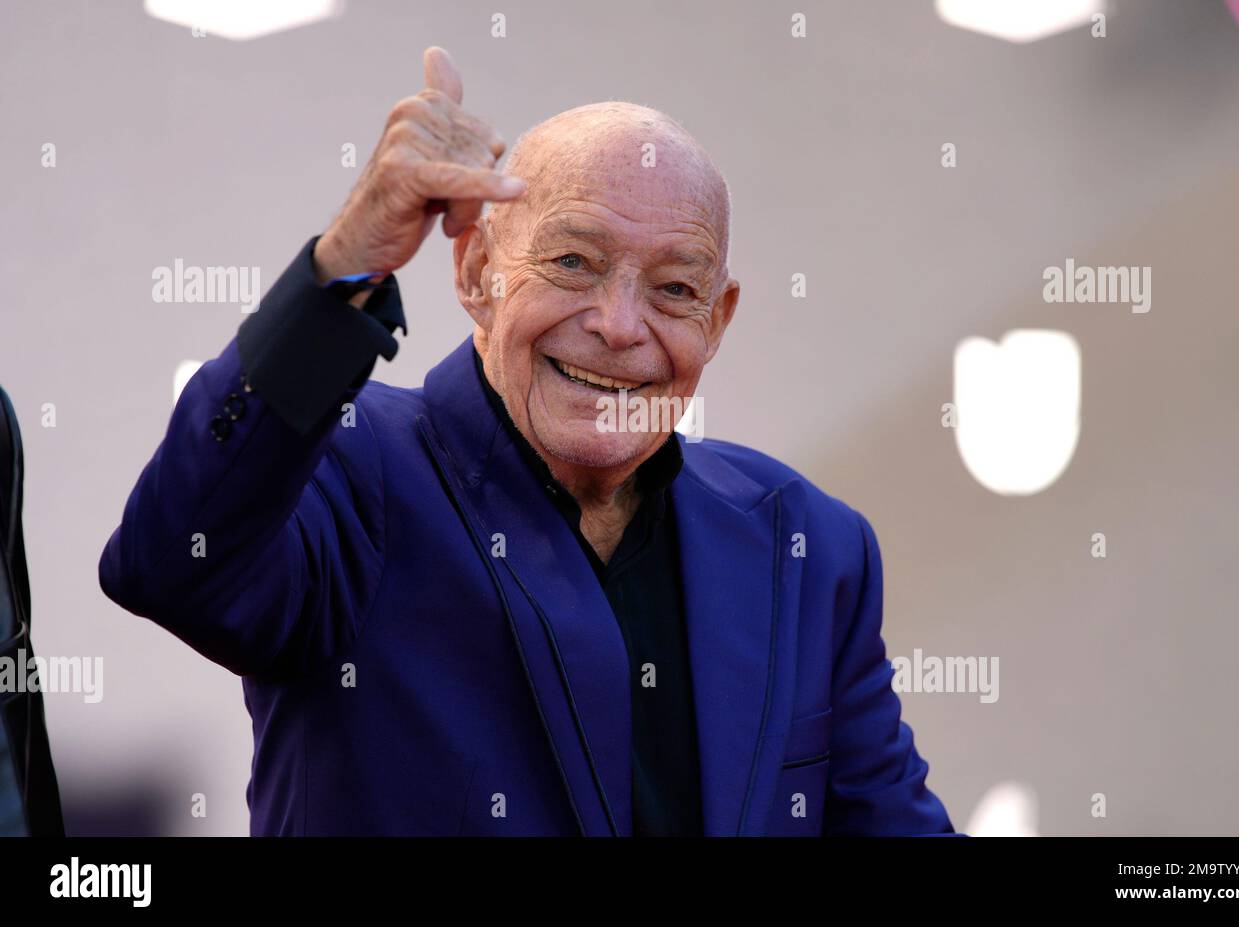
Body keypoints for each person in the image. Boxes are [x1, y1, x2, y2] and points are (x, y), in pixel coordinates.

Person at [99, 47, 954, 837]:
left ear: (718, 318)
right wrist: (346, 265)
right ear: (476, 272)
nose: (621, 327)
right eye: (574, 263)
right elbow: (169, 565)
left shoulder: (805, 542)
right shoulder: (352, 471)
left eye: (675, 287)